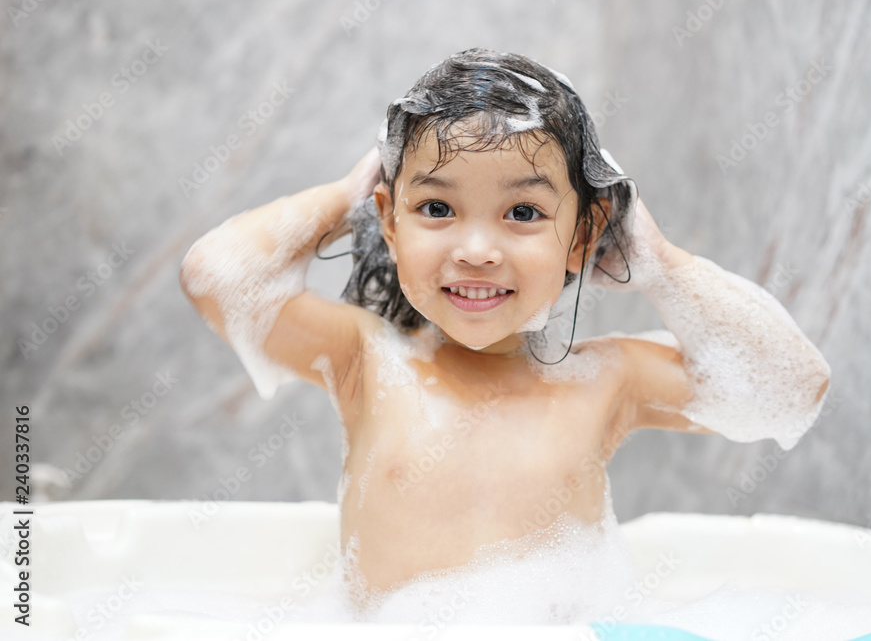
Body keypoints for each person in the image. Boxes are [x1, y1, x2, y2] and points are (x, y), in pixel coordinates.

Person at [179, 47, 831, 622]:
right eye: (436, 207)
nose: (478, 249)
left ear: (581, 235)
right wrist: (351, 192)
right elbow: (217, 275)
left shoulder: (607, 381)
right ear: (391, 220)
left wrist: (659, 263)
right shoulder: (368, 360)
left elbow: (791, 388)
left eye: (522, 212)